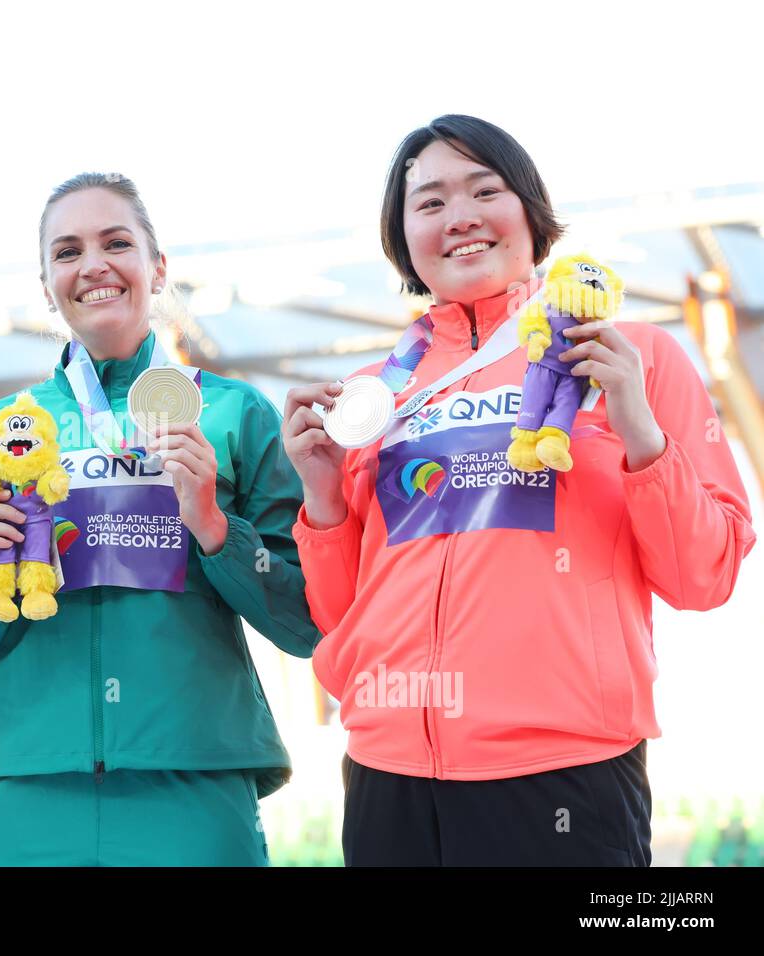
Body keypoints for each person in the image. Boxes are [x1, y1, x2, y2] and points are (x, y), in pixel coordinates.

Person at [284, 114, 756, 866]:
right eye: (430, 202)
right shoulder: (375, 393)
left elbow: (706, 576)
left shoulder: (631, 355)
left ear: (531, 213)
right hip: (386, 773)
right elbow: (340, 613)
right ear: (403, 237)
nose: (460, 216)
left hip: (561, 776)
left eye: (484, 189)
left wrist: (640, 430)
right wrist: (323, 499)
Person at [0, 172, 320, 866]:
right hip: (26, 782)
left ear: (157, 268)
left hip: (193, 777)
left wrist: (217, 532)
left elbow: (306, 620)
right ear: (46, 284)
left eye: (116, 243)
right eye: (67, 251)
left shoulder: (232, 413)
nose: (93, 265)